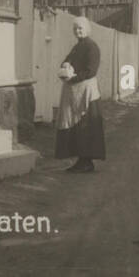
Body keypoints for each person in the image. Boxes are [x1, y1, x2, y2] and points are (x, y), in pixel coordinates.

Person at [55, 16, 107, 173]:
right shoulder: (77, 47)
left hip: (86, 93)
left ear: (87, 29)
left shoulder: (92, 47)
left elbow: (91, 71)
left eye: (81, 28)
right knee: (75, 125)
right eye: (76, 29)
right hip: (75, 91)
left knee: (86, 125)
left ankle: (87, 161)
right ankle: (81, 160)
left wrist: (74, 78)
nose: (78, 31)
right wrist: (65, 66)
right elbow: (66, 61)